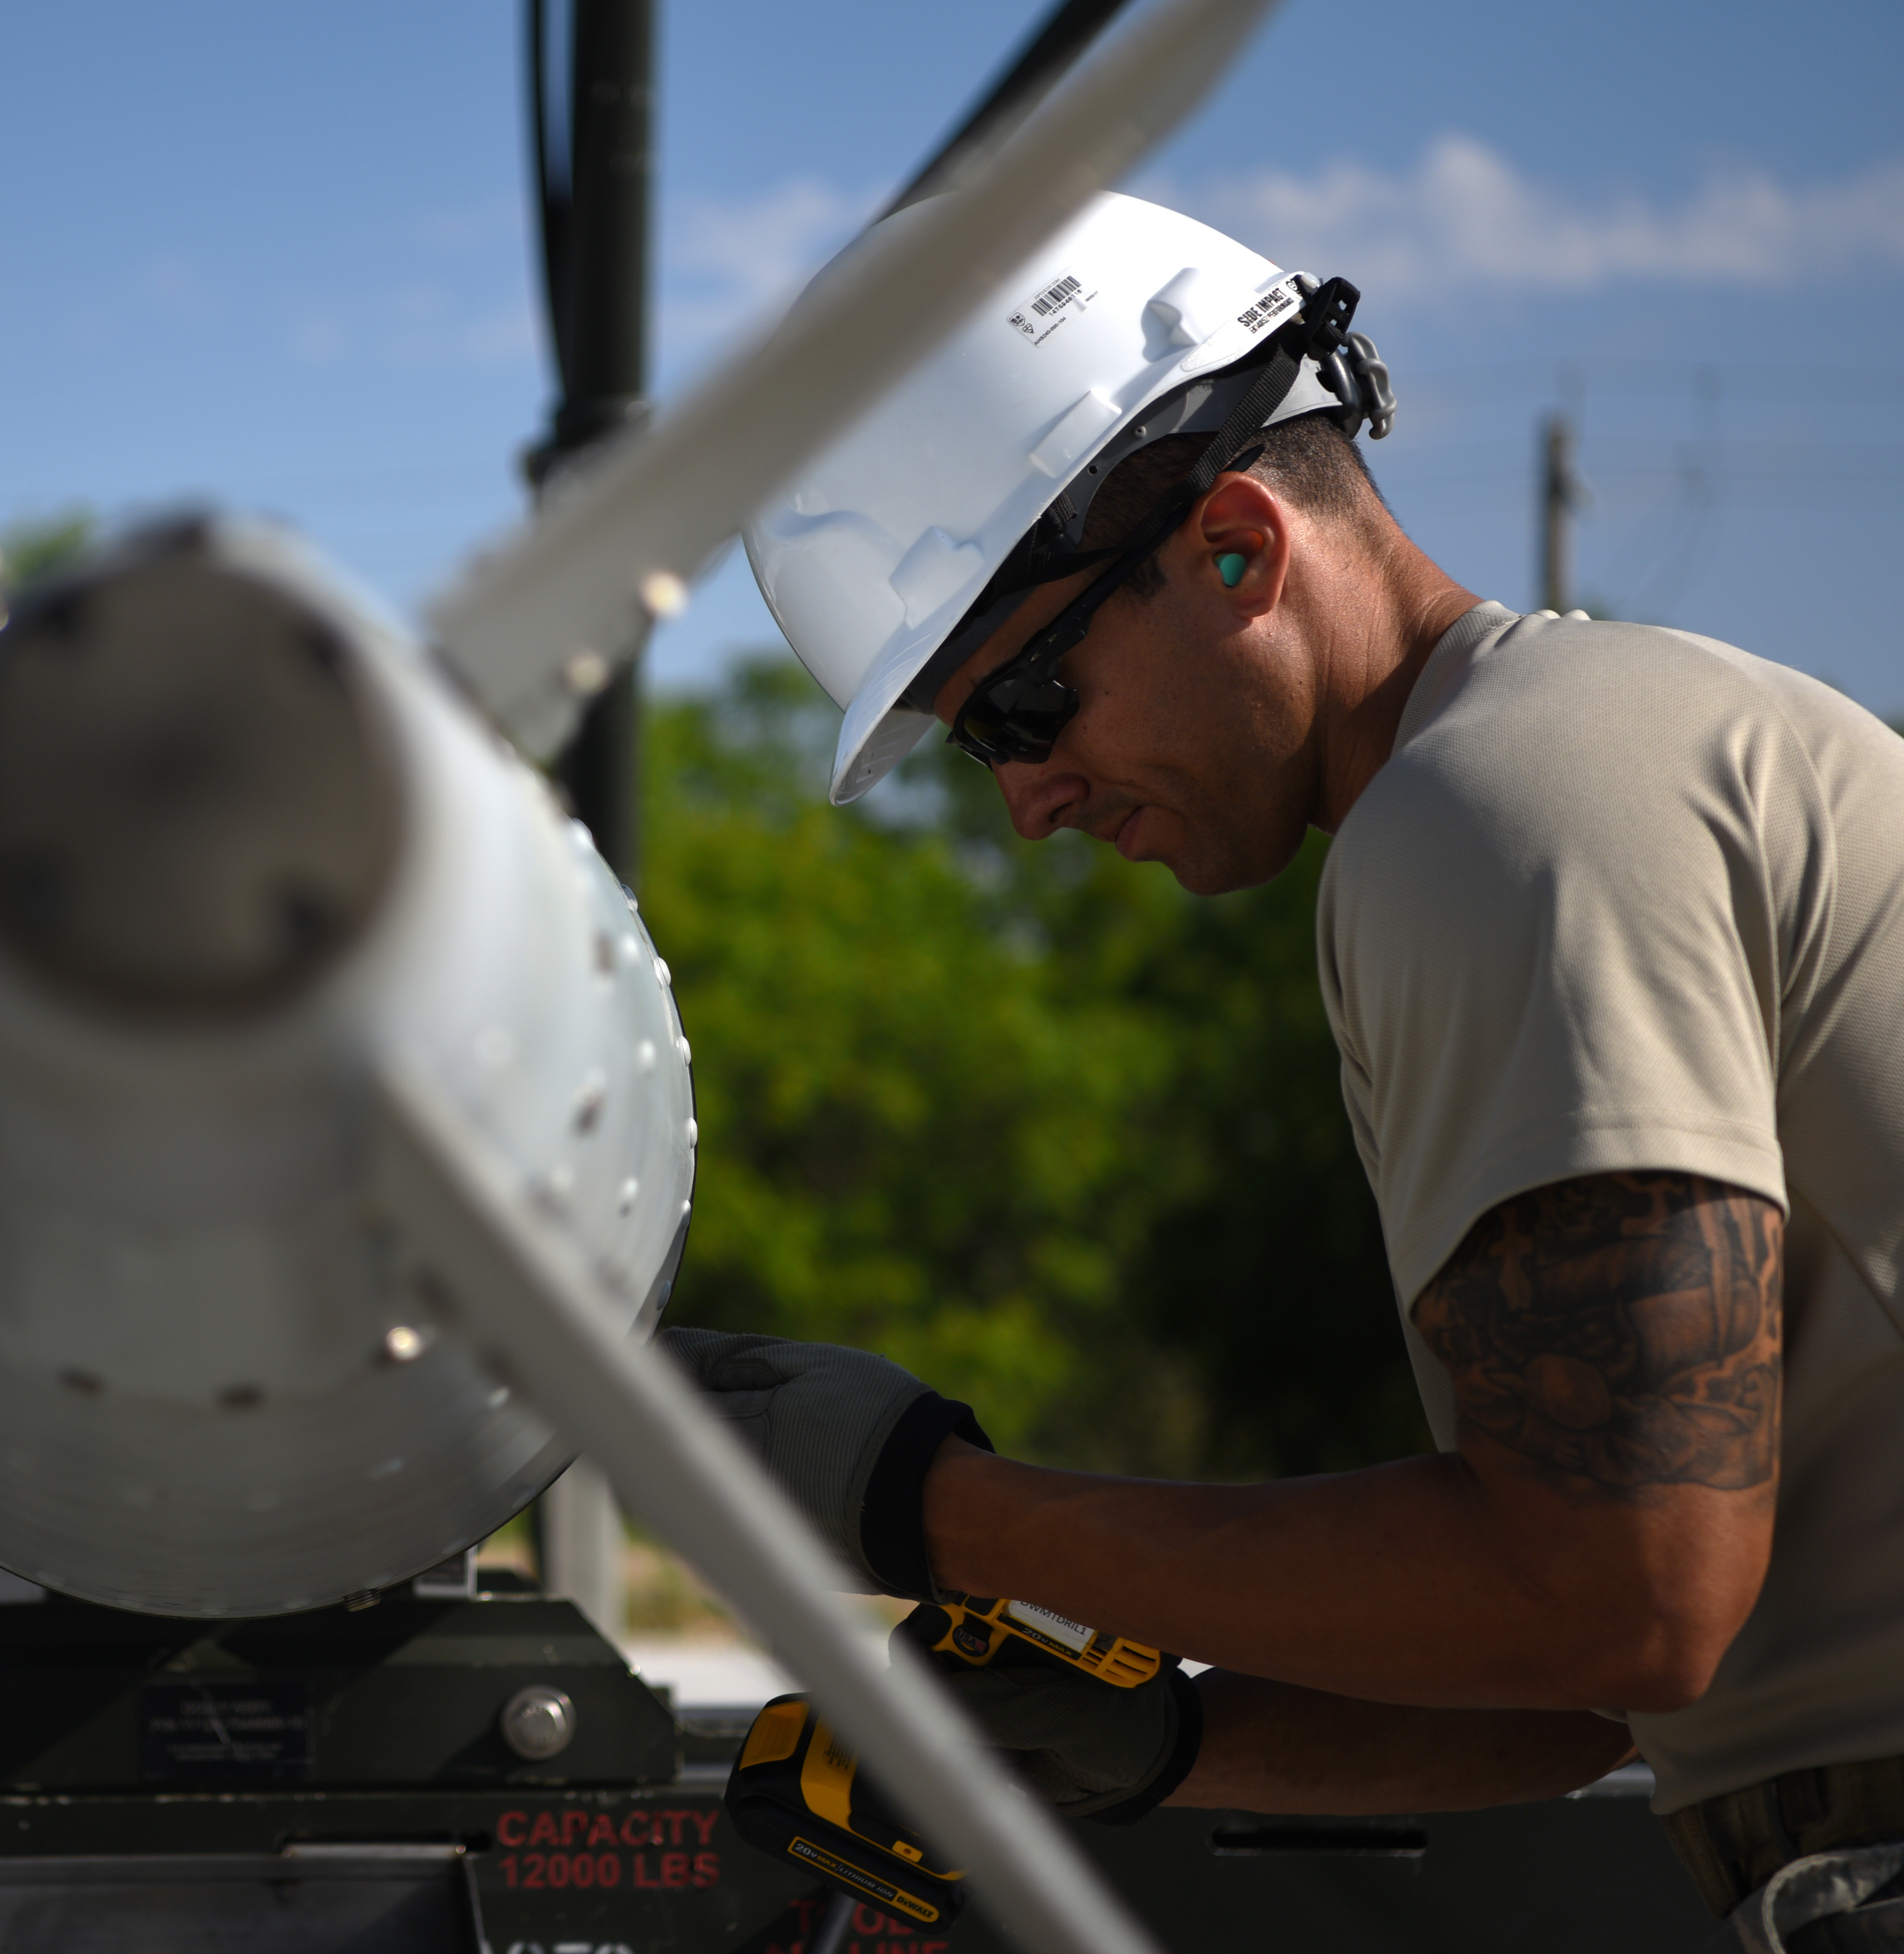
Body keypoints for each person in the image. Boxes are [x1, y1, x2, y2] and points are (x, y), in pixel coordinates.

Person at [669, 189, 1904, 1951]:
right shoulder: (1596, 756)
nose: (1025, 802)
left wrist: (928, 1507)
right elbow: (1604, 1676)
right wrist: (1169, 1736)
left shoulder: (1501, 819)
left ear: (1239, 546)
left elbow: (1628, 1600)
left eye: (1024, 709)